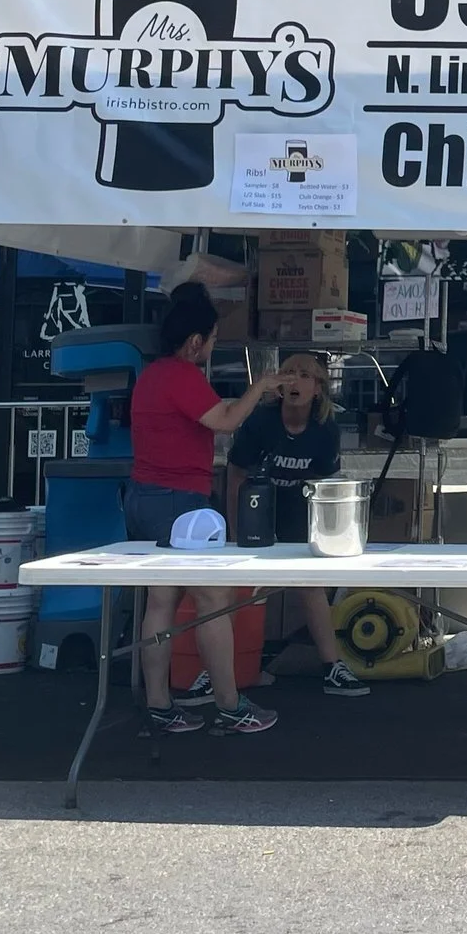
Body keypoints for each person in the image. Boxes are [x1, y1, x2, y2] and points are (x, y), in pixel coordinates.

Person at [127, 281, 285, 737]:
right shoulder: (181, 376)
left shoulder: (152, 375)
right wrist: (261, 388)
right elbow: (227, 421)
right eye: (213, 339)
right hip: (179, 503)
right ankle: (230, 704)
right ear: (196, 340)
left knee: (161, 601)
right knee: (215, 598)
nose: (213, 347)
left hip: (146, 495)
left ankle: (159, 704)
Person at [226, 353, 369, 698]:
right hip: (256, 506)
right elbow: (234, 475)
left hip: (296, 508)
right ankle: (221, 666)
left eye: (305, 375)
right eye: (289, 373)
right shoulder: (260, 421)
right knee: (238, 586)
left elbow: (324, 485)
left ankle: (331, 666)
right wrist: (235, 530)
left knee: (310, 583)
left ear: (318, 388)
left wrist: (324, 536)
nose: (295, 380)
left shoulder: (325, 430)